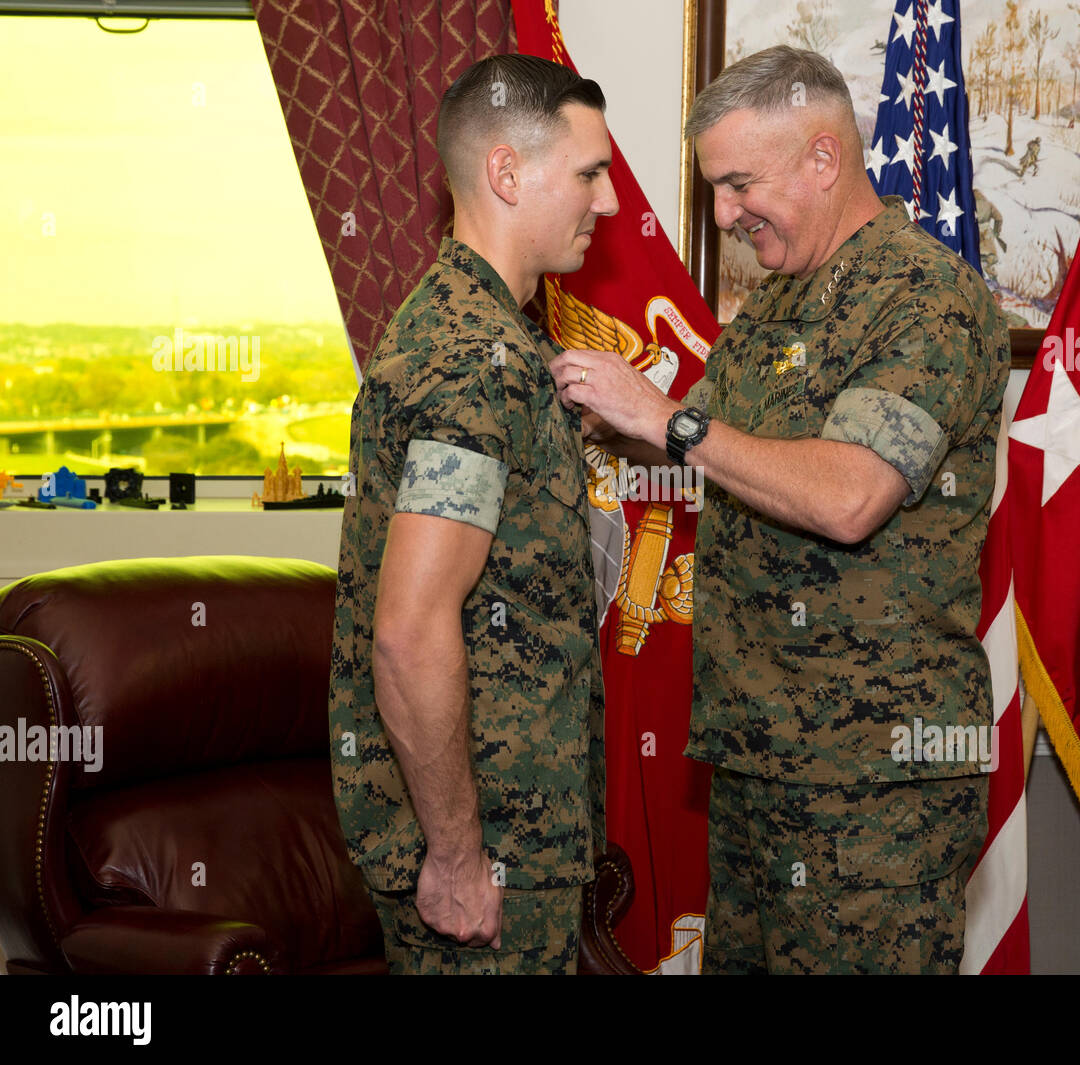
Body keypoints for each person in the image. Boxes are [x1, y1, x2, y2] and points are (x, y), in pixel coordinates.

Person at [551, 45, 1009, 974]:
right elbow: (731, 452)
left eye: (739, 184)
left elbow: (848, 495)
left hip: (876, 787)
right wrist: (600, 421)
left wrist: (667, 421)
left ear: (824, 160)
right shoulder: (772, 309)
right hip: (757, 760)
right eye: (715, 189)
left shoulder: (928, 299)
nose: (724, 215)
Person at [329, 53, 618, 975]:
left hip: (516, 835)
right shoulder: (471, 358)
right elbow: (411, 630)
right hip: (487, 853)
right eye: (588, 173)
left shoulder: (496, 339)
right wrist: (457, 857)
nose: (607, 202)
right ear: (505, 172)